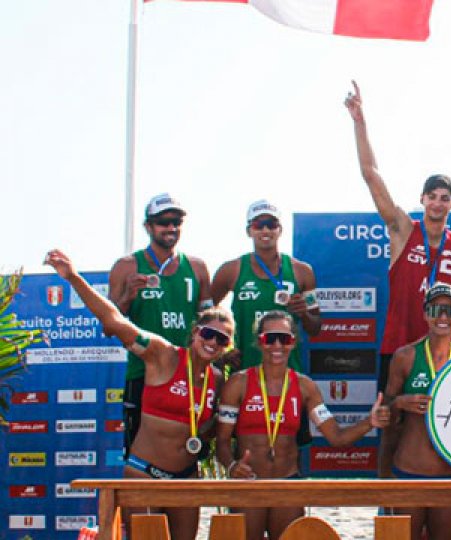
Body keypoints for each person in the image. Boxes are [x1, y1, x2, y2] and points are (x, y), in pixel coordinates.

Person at [45, 249, 231, 540]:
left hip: (185, 479)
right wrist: (73, 277)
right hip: (146, 473)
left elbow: (205, 430)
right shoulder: (163, 355)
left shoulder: (216, 379)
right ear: (194, 332)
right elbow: (115, 320)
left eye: (222, 339)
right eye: (207, 333)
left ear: (227, 346)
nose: (212, 342)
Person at [216, 310, 389, 540]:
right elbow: (222, 442)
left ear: (293, 342)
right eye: (270, 338)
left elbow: (336, 437)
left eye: (284, 338)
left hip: (288, 486)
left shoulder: (305, 387)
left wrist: (370, 422)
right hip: (250, 486)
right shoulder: (238, 383)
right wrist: (231, 466)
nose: (277, 345)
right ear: (260, 341)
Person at [343, 80, 451, 392]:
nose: (437, 202)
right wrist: (359, 122)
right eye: (431, 196)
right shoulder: (403, 230)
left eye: (444, 197)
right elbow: (371, 174)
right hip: (397, 345)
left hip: (441, 352)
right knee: (390, 426)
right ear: (422, 199)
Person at [107, 193, 213, 457]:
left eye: (176, 221)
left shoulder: (197, 268)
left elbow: (210, 322)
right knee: (139, 454)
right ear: (148, 226)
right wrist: (127, 297)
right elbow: (109, 327)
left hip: (187, 374)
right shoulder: (127, 266)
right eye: (163, 221)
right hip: (143, 372)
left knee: (187, 453)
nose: (171, 228)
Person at [383, 283, 451, 540]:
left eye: (450, 310)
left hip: (449, 476)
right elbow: (385, 417)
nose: (442, 317)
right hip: (409, 471)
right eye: (435, 310)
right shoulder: (405, 356)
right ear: (425, 314)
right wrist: (400, 403)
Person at [211, 200, 321, 373]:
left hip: (288, 372)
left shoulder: (302, 271)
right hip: (245, 370)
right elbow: (204, 316)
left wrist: (304, 314)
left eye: (271, 224)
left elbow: (315, 328)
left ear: (280, 230)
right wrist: (222, 350)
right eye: (258, 225)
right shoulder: (231, 270)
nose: (265, 230)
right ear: (249, 231)